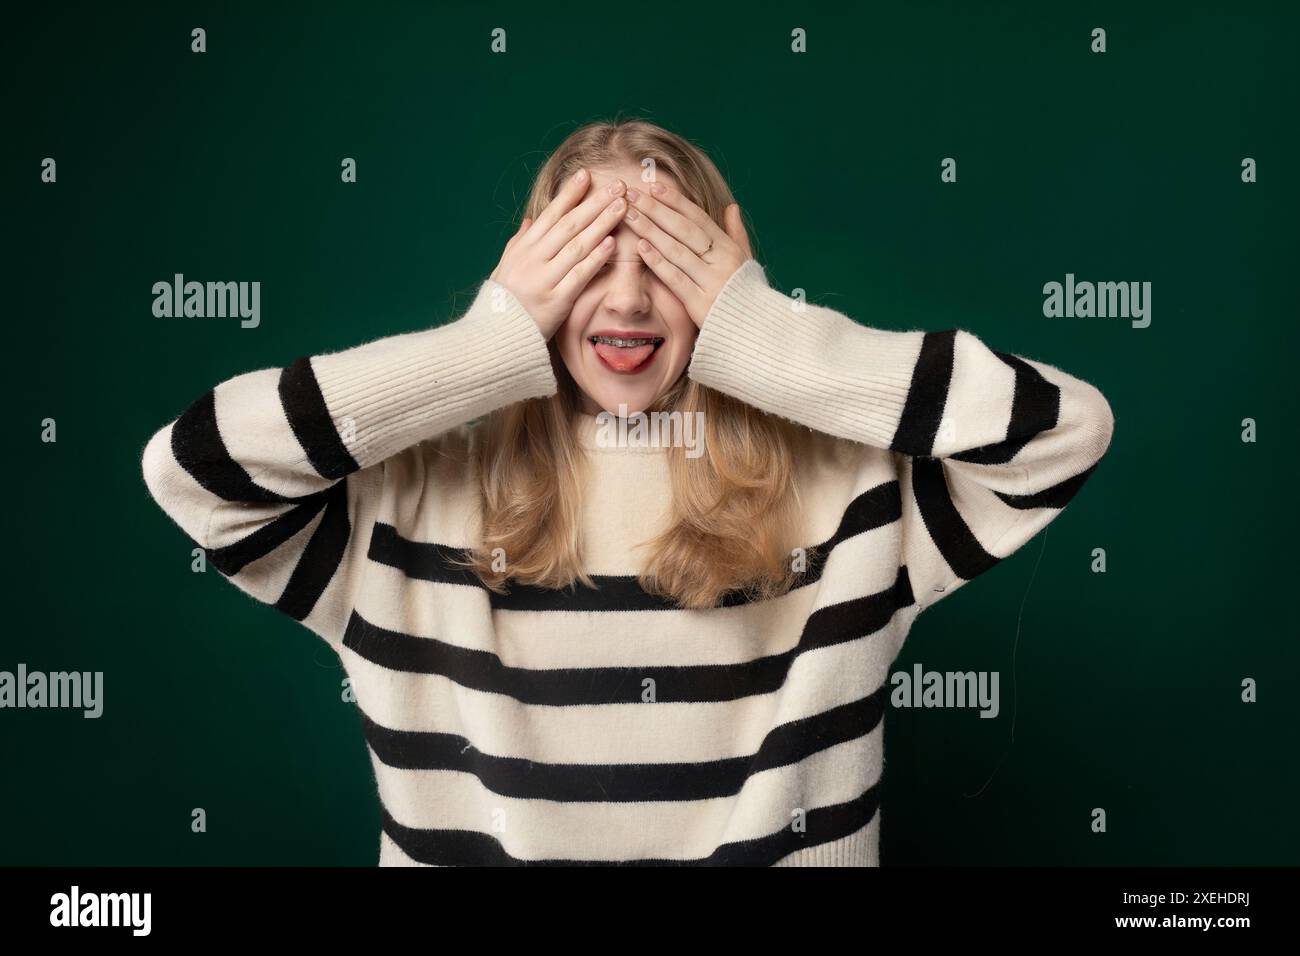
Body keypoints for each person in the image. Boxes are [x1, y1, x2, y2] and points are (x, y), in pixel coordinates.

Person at [141, 119, 1115, 866]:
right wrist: (487, 345)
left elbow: (1062, 429)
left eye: (664, 253)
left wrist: (768, 339)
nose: (627, 298)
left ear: (729, 274)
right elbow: (194, 466)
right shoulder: (404, 504)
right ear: (527, 267)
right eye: (584, 253)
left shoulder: (858, 492)